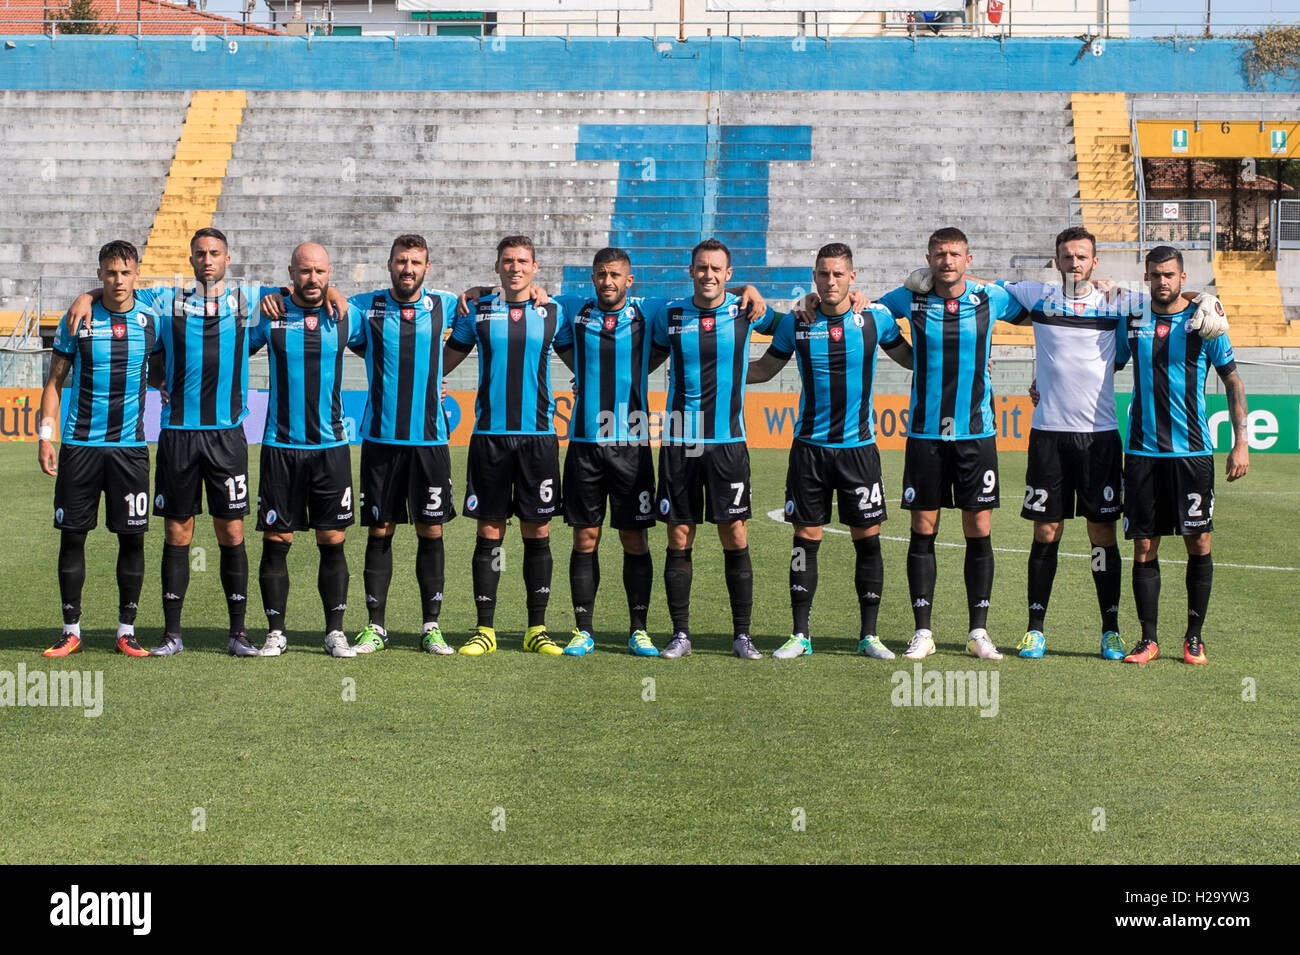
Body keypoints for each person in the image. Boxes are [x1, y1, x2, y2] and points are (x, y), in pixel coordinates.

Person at [906, 227, 1228, 660]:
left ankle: (1110, 630)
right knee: (1046, 532)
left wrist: (1208, 299)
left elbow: (1168, 295)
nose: (1074, 263)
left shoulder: (1120, 302)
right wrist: (917, 279)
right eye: (1067, 256)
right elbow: (975, 287)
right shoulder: (1035, 295)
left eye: (1082, 257)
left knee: (1103, 535)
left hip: (1099, 439)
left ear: (1094, 263)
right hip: (1048, 437)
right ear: (1056, 261)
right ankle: (1035, 629)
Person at [64, 228, 346, 657]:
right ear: (192, 260)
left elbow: (308, 285)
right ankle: (172, 635)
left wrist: (336, 291)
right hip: (177, 436)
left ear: (227, 258)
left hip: (227, 437)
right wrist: (85, 296)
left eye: (215, 253)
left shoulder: (249, 303)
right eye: (200, 254)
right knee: (177, 533)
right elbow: (119, 292)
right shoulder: (165, 302)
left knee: (231, 530)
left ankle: (238, 633)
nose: (208, 260)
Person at [550, 248, 768, 658]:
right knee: (586, 537)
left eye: (616, 274)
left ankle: (642, 629)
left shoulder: (649, 309)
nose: (608, 281)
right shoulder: (570, 308)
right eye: (601, 274)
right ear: (592, 278)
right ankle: (584, 630)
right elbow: (524, 289)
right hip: (586, 442)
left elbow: (705, 290)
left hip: (633, 443)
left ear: (630, 281)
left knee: (638, 537)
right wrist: (482, 289)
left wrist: (747, 288)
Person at [746, 243, 912, 659]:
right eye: (823, 274)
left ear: (852, 278)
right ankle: (800, 634)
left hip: (859, 451)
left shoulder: (874, 319)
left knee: (868, 542)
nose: (831, 281)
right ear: (815, 277)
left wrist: (957, 361)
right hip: (810, 452)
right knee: (805, 540)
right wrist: (716, 371)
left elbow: (911, 357)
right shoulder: (797, 322)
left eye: (838, 274)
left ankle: (869, 635)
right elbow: (765, 369)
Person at [876, 227, 1027, 661]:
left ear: (969, 258)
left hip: (976, 435)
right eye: (940, 254)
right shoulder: (909, 298)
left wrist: (1101, 290)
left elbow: (1043, 309)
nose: (947, 261)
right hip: (925, 435)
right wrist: (909, 356)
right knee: (923, 530)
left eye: (955, 254)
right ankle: (923, 632)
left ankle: (978, 631)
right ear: (928, 258)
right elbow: (864, 313)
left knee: (978, 530)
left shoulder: (989, 298)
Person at [1115, 245, 1249, 665]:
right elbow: (1103, 362)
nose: (1161, 282)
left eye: (1169, 275)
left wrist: (1241, 441)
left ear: (1182, 277)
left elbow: (1233, 382)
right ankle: (1148, 640)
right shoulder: (1133, 319)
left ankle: (1194, 637)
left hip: (1192, 452)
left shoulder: (1206, 322)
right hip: (1142, 452)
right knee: (1143, 546)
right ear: (1147, 277)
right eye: (1154, 275)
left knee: (1199, 540)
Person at [646, 238, 778, 661]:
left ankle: (742, 635)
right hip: (681, 442)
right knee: (679, 533)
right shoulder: (668, 314)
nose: (708, 274)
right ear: (691, 271)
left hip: (729, 444)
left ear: (729, 275)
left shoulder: (747, 312)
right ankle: (680, 634)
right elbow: (631, 340)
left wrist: (754, 293)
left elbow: (798, 322)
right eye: (701, 267)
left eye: (716, 269)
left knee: (734, 533)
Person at [442, 235, 565, 656]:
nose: (515, 267)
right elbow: (443, 359)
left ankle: (537, 627)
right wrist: (427, 379)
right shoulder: (477, 309)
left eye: (523, 261)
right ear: (496, 266)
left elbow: (587, 348)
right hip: (490, 439)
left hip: (539, 438)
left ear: (535, 266)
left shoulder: (554, 310)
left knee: (538, 529)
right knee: (490, 530)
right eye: (507, 261)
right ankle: (485, 629)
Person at [38, 240, 159, 658]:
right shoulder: (78, 321)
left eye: (125, 272)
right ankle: (71, 630)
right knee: (72, 537)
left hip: (129, 451)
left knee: (132, 539)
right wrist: (45, 435)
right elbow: (54, 382)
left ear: (137, 274)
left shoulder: (152, 319)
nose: (118, 280)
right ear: (99, 275)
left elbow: (164, 368)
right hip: (80, 446)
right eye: (110, 273)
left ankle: (126, 631)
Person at [347, 236, 459, 655]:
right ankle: (376, 626)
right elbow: (331, 302)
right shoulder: (365, 306)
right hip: (380, 440)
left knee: (431, 529)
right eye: (400, 261)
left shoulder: (446, 304)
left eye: (415, 262)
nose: (407, 268)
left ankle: (431, 626)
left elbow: (478, 310)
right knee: (380, 529)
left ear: (427, 267)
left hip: (429, 441)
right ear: (389, 264)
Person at [250, 243, 361, 659]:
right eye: (303, 271)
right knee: (277, 540)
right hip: (280, 447)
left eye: (319, 272)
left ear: (329, 273)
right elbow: (230, 349)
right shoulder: (271, 315)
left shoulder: (348, 315)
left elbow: (400, 305)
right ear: (291, 272)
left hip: (331, 448)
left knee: (332, 539)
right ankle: (276, 632)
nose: (311, 279)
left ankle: (334, 631)